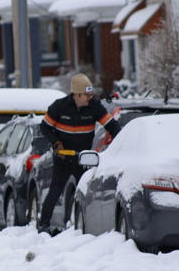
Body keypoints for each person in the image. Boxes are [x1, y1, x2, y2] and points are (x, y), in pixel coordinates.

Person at [37, 73, 121, 235]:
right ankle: (43, 226)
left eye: (91, 95)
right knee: (55, 190)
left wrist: (122, 140)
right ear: (76, 94)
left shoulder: (95, 107)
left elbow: (112, 126)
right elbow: (45, 127)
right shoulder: (59, 107)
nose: (89, 98)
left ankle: (83, 226)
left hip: (83, 158)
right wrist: (56, 143)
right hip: (62, 157)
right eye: (86, 95)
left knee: (83, 192)